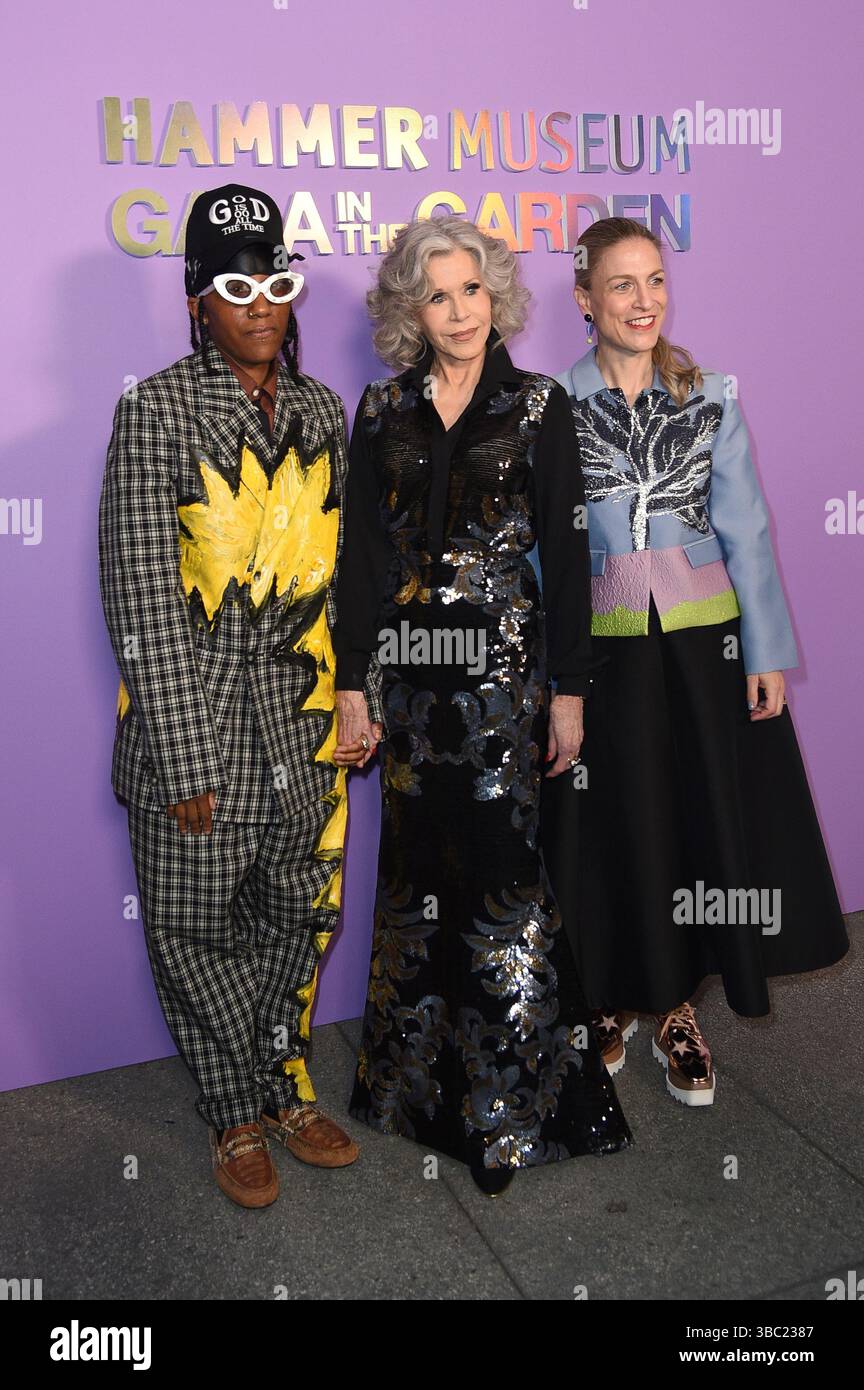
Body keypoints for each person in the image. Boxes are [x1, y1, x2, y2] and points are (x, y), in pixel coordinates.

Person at [331, 215, 633, 1197]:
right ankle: (416, 1091)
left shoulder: (539, 407)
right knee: (422, 884)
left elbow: (571, 555)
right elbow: (365, 562)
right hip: (415, 690)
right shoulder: (379, 411)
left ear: (494, 294)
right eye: (438, 295)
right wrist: (352, 681)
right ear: (410, 310)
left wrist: (572, 689)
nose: (459, 311)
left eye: (472, 290)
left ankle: (506, 1113)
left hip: (506, 683)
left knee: (503, 884)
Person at [98, 183, 384, 1207]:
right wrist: (184, 759)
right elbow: (137, 595)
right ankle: (230, 1109)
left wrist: (358, 695)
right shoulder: (158, 408)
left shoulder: (315, 411)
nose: (260, 304)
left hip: (302, 720)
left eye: (276, 281)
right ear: (196, 302)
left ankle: (284, 1080)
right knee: (195, 925)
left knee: (297, 916)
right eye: (234, 287)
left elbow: (350, 571)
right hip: (199, 729)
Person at [543, 216, 848, 1106]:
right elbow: (545, 552)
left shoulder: (708, 394)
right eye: (622, 285)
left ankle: (678, 1008)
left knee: (693, 822)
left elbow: (747, 530)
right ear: (584, 299)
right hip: (600, 653)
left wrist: (765, 651)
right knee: (610, 825)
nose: (643, 301)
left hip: (702, 648)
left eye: (656, 282)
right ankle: (612, 999)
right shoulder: (551, 407)